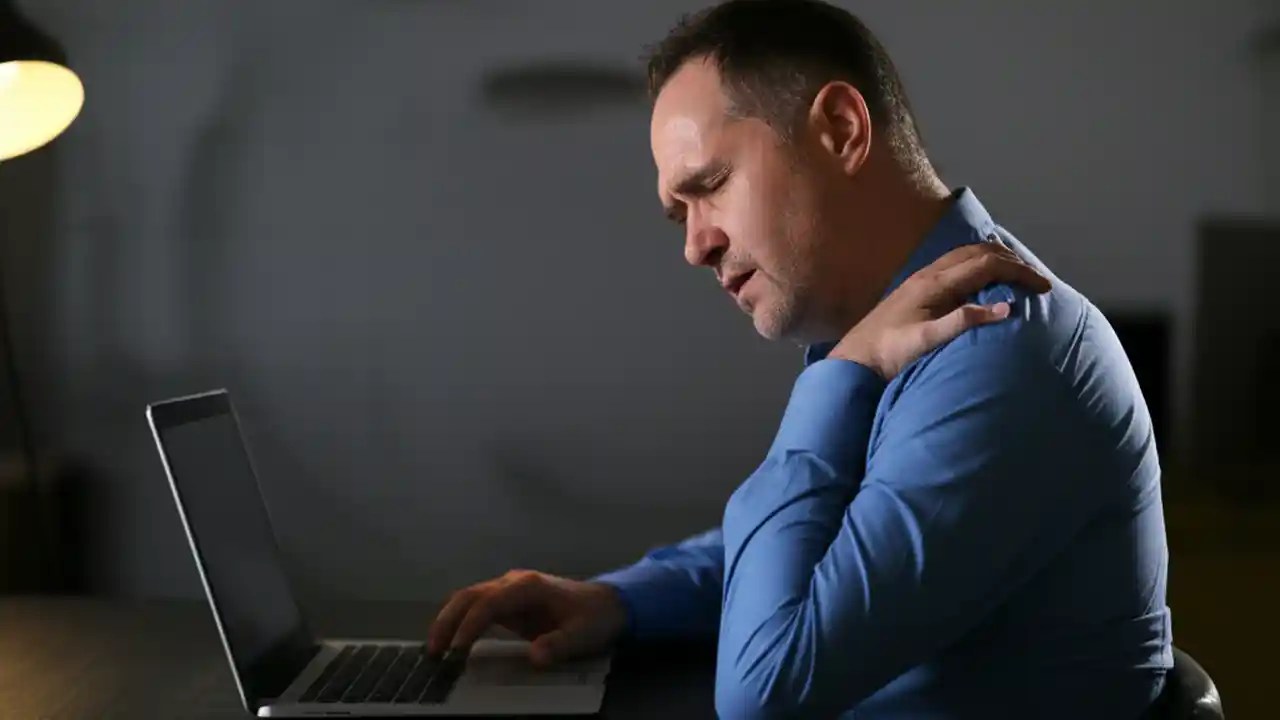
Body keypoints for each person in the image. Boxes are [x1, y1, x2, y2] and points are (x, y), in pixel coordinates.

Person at [427, 1, 1172, 717]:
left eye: (710, 186)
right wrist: (621, 601)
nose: (695, 246)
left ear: (843, 131)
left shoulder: (994, 348)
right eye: (678, 214)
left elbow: (764, 688)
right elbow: (834, 545)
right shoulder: (905, 332)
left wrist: (840, 376)